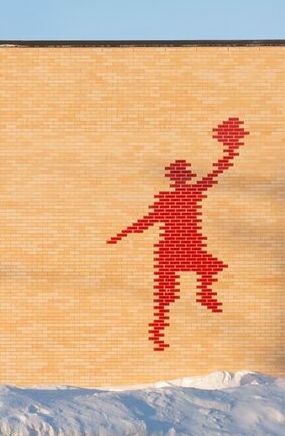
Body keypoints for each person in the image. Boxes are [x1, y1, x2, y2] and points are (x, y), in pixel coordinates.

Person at [106, 117, 247, 351]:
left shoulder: (191, 193)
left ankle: (203, 296)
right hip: (173, 249)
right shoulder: (176, 197)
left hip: (184, 248)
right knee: (166, 296)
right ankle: (161, 332)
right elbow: (147, 220)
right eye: (181, 176)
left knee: (210, 267)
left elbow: (216, 173)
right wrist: (122, 234)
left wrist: (231, 151)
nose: (183, 179)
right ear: (176, 178)